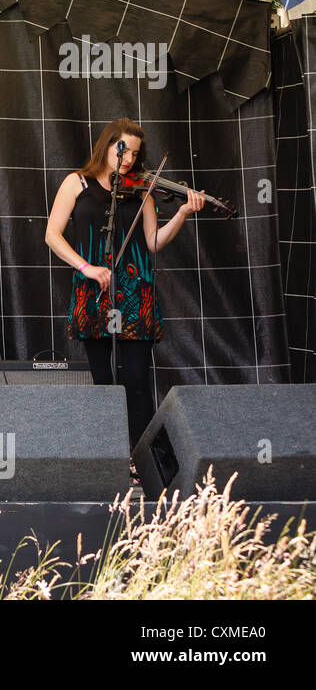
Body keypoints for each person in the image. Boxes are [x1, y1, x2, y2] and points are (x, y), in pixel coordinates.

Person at [44, 118, 204, 455]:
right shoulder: (77, 183)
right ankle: (109, 456)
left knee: (136, 380)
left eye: (135, 152)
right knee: (103, 381)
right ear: (107, 145)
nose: (129, 159)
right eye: (123, 150)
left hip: (136, 291)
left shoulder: (142, 188)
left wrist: (183, 214)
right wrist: (86, 267)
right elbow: (52, 235)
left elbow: (153, 240)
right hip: (94, 289)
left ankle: (142, 460)